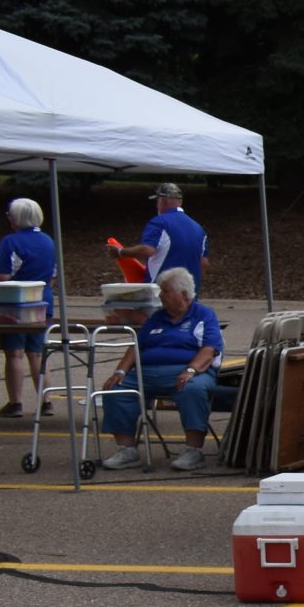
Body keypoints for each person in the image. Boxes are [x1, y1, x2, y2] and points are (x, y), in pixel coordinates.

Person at [99, 267, 222, 472]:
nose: (160, 296)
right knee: (115, 389)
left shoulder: (203, 315)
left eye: (165, 291)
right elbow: (137, 346)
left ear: (183, 294)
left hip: (187, 371)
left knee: (193, 389)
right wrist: (120, 372)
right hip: (147, 372)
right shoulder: (157, 317)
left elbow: (209, 349)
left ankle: (194, 451)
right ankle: (127, 450)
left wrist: (191, 370)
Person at [0, 196, 58, 419]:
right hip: (43, 300)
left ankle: (15, 402)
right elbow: (53, 275)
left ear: (16, 217)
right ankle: (46, 400)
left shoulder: (11, 242)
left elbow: (3, 275)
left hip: (15, 303)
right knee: (37, 353)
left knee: (14, 353)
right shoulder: (49, 241)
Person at [119, 182, 208, 292]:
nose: (157, 205)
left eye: (157, 201)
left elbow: (147, 250)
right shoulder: (198, 228)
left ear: (163, 201)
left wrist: (120, 252)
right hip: (189, 294)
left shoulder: (159, 222)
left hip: (161, 292)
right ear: (180, 202)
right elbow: (203, 263)